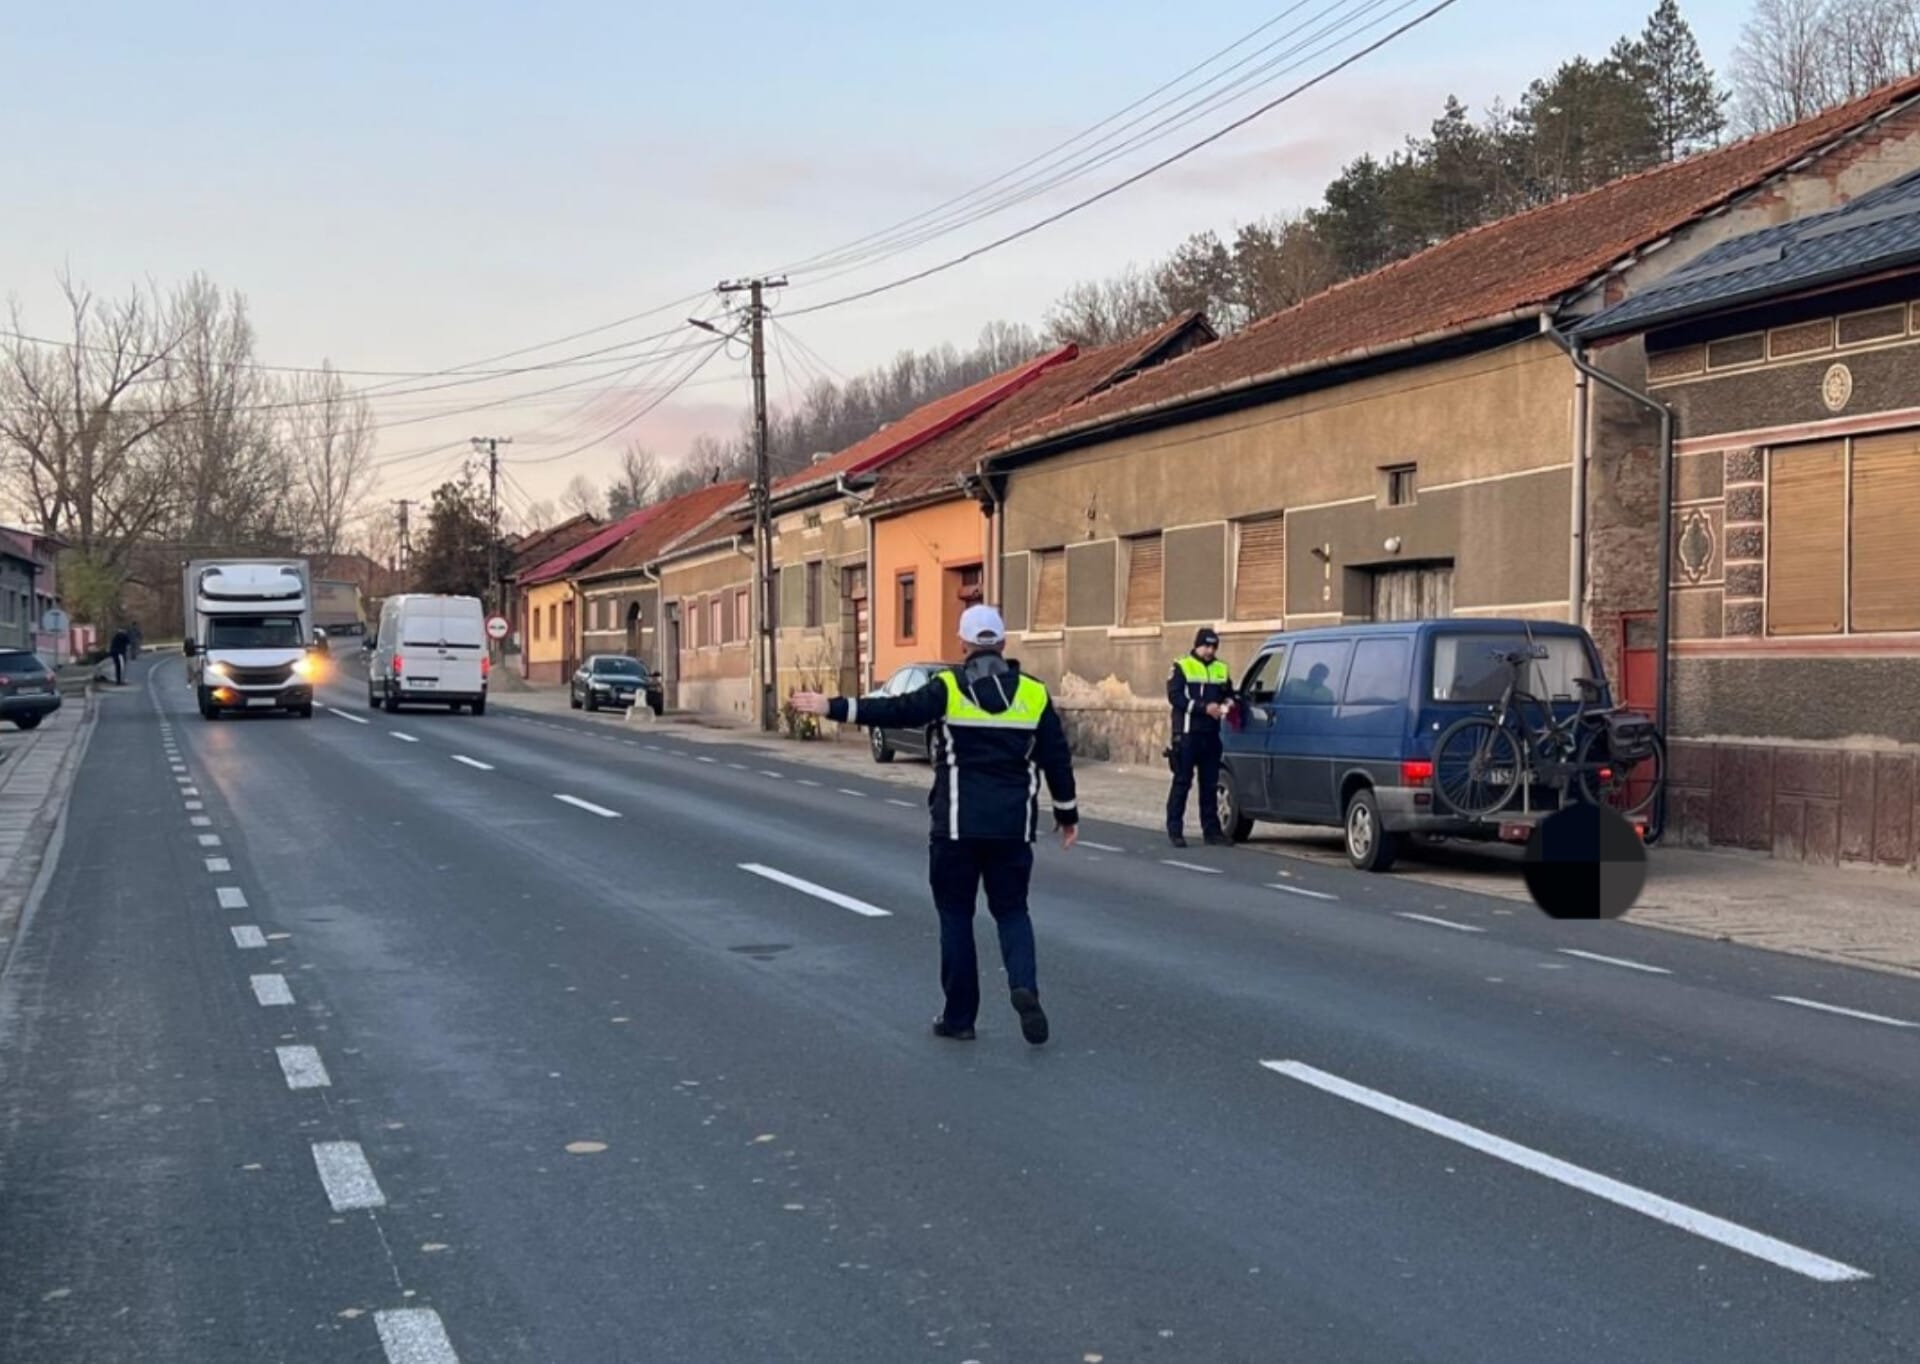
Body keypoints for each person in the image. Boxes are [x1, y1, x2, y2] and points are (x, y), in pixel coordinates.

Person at [790, 604, 1077, 1046]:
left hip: (956, 828)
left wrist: (833, 706)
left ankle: (959, 1018)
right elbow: (1056, 757)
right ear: (1003, 643)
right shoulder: (1035, 694)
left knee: (956, 916)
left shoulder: (947, 688)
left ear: (963, 644)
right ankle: (1024, 985)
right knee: (1013, 911)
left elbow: (897, 711)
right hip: (1012, 828)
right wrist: (1067, 813)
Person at [1165, 627, 1236, 848]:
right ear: (1197, 645)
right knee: (1182, 782)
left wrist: (1228, 704)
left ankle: (1211, 830)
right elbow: (1175, 697)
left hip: (1211, 735)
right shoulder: (1182, 666)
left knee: (1209, 785)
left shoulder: (1221, 669)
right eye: (1206, 646)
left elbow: (1229, 694)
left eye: (1213, 647)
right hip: (1187, 734)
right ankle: (1175, 829)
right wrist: (1204, 708)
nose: (1209, 650)